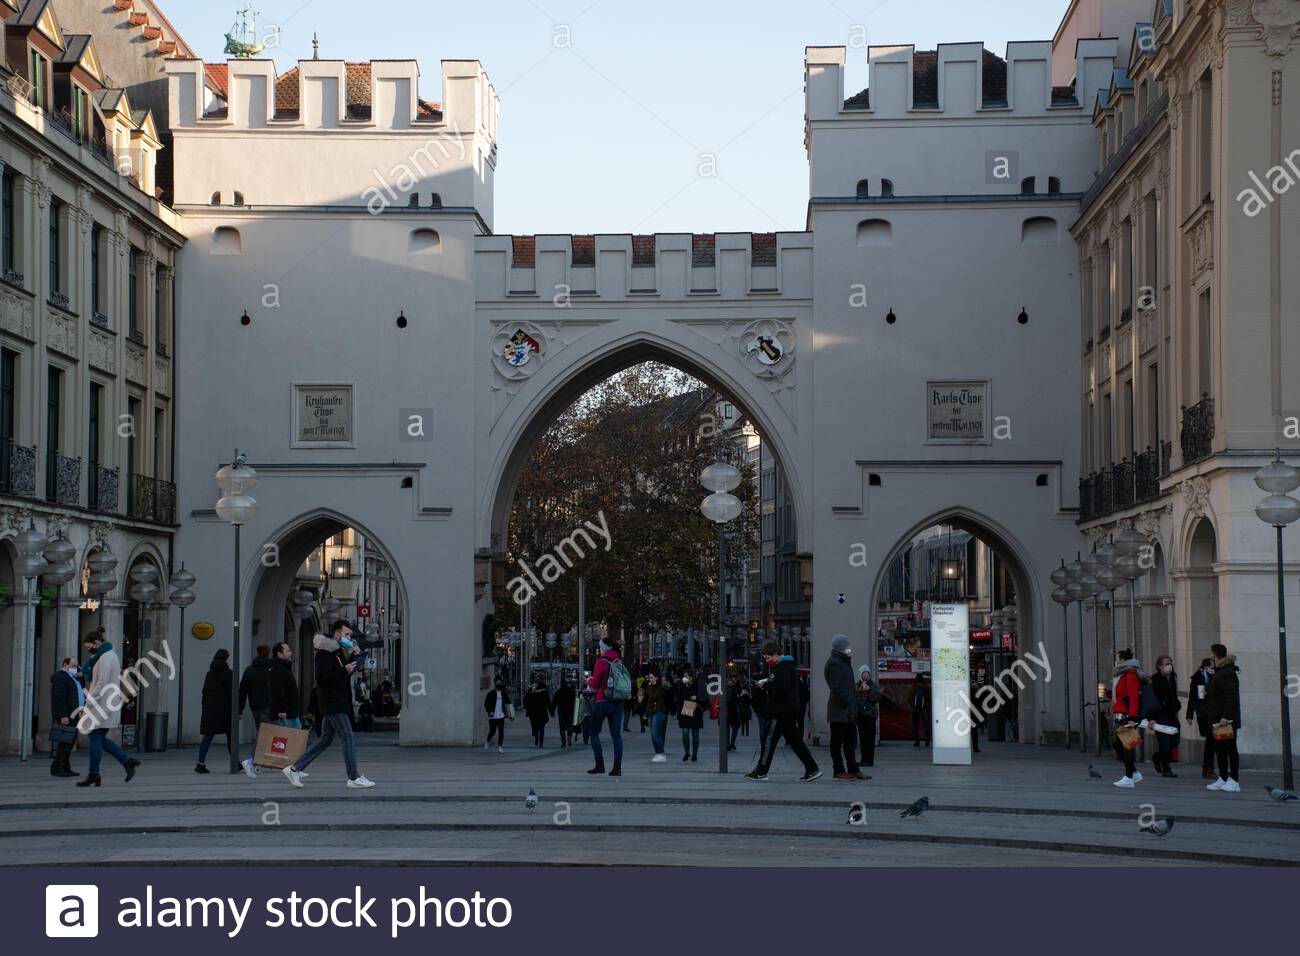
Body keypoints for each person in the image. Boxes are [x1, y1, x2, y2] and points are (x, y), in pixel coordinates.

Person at [282, 620, 376, 789]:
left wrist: (355, 658)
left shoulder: (336, 652)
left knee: (325, 739)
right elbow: (323, 678)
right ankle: (353, 777)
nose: (349, 638)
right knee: (347, 736)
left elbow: (341, 675)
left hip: (335, 701)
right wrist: (344, 670)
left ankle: (295, 769)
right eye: (347, 634)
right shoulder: (325, 653)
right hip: (332, 702)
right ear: (337, 634)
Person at [745, 641, 822, 782]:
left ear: (775, 654)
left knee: (769, 741)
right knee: (796, 742)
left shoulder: (783, 667)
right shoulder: (786, 666)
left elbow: (782, 688)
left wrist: (766, 685)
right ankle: (812, 768)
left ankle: (761, 771)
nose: (768, 662)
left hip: (780, 712)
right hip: (788, 711)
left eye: (768, 658)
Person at [75, 632, 140, 787]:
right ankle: (125, 762)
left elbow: (101, 682)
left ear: (96, 642)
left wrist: (89, 701)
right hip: (105, 704)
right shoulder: (106, 656)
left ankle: (94, 773)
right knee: (99, 738)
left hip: (102, 704)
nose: (88, 650)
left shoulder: (105, 657)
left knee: (95, 737)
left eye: (89, 646)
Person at [824, 634, 867, 780]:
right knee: (837, 742)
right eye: (847, 646)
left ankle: (853, 769)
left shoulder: (843, 662)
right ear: (840, 648)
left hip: (847, 710)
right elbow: (836, 688)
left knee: (850, 742)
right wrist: (848, 703)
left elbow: (846, 687)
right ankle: (838, 770)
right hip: (839, 709)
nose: (849, 648)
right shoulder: (835, 663)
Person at [586, 638, 626, 776]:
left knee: (594, 732)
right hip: (617, 701)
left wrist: (589, 681)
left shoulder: (601, 662)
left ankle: (599, 764)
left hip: (602, 701)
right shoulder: (619, 661)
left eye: (601, 647)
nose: (600, 649)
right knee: (616, 735)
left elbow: (595, 685)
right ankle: (617, 767)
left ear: (605, 648)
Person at [1205, 643, 1241, 793]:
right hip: (1217, 718)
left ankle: (1234, 780)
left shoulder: (1226, 672)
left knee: (1229, 749)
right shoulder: (1220, 671)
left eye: (1212, 654)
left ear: (1214, 655)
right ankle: (1224, 777)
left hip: (1225, 719)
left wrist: (1226, 716)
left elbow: (1230, 696)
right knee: (1220, 749)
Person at [238, 644, 274, 777]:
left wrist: (239, 709)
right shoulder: (271, 669)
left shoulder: (249, 670)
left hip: (255, 706)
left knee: (263, 733)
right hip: (269, 705)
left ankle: (256, 762)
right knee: (265, 735)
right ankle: (251, 761)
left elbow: (242, 691)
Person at [1111, 648, 1145, 788]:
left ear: (1123, 660)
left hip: (1128, 716)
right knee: (1117, 743)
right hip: (1120, 714)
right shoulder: (1122, 674)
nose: (1116, 661)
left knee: (1127, 746)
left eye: (1118, 659)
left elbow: (1133, 696)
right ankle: (1134, 772)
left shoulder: (1130, 674)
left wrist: (1132, 716)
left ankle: (1129, 777)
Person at [195, 648, 233, 774]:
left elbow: (204, 692)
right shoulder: (229, 674)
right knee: (231, 736)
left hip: (209, 709)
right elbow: (232, 693)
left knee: (207, 737)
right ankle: (234, 762)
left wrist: (204, 707)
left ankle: (200, 763)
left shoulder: (209, 674)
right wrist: (237, 710)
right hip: (225, 710)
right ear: (226, 658)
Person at [1148, 655, 1181, 777]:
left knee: (1175, 739)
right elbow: (1151, 700)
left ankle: (1158, 757)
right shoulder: (1155, 680)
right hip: (1160, 715)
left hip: (1171, 713)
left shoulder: (1172, 677)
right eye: (1166, 664)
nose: (1169, 666)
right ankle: (1166, 768)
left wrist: (1177, 705)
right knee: (1165, 742)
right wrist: (1151, 718)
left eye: (1170, 663)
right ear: (1159, 666)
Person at [49, 657, 83, 778]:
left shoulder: (73, 678)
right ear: (65, 665)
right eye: (73, 666)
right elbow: (59, 698)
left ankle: (65, 767)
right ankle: (57, 768)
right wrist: (63, 715)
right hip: (67, 715)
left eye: (77, 666)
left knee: (69, 743)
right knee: (64, 743)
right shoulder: (61, 677)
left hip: (75, 714)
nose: (76, 668)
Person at [1186, 657, 1216, 779]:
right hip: (1203, 713)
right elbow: (1193, 697)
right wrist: (1189, 715)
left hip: (1214, 713)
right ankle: (1208, 768)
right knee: (1210, 739)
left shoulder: (1215, 676)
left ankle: (1208, 768)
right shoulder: (1197, 679)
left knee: (1211, 740)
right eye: (1211, 667)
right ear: (1205, 667)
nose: (1213, 669)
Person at [267, 642, 301, 728]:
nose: (291, 653)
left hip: (289, 716)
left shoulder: (283, 668)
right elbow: (276, 692)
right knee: (289, 741)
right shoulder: (277, 669)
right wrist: (283, 711)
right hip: (284, 717)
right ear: (279, 654)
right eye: (288, 651)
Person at [674, 668, 703, 762]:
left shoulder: (697, 685)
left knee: (695, 734)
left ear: (691, 677)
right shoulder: (682, 686)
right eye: (684, 676)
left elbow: (703, 696)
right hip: (685, 712)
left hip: (696, 713)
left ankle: (694, 754)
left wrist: (696, 697)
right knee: (685, 733)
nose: (685, 677)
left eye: (687, 676)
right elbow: (678, 699)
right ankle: (687, 752)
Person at [855, 665, 880, 768]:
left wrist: (869, 690)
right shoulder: (857, 685)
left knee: (869, 738)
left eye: (867, 673)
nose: (865, 675)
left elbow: (876, 698)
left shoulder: (873, 685)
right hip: (860, 715)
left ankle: (869, 760)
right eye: (863, 673)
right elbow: (854, 698)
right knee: (862, 738)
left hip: (870, 716)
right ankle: (864, 759)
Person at [643, 671, 671, 762]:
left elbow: (653, 696)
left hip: (659, 712)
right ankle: (657, 753)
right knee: (653, 735)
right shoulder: (649, 686)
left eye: (651, 677)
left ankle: (661, 753)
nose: (650, 679)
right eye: (649, 678)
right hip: (650, 712)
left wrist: (651, 688)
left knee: (656, 733)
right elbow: (649, 698)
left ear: (656, 678)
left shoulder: (660, 687)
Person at [483, 677, 511, 752]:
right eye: (497, 683)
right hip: (493, 716)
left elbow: (508, 702)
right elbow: (486, 704)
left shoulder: (503, 693)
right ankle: (487, 741)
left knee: (501, 731)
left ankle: (500, 746)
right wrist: (489, 711)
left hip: (501, 715)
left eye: (500, 683)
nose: (499, 684)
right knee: (492, 731)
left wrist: (507, 693)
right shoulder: (491, 693)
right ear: (495, 683)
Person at [524, 678, 551, 747]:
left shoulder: (532, 693)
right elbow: (548, 703)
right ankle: (541, 742)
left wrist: (530, 691)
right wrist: (551, 711)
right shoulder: (544, 693)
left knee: (535, 727)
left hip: (534, 713)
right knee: (542, 728)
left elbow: (526, 699)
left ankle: (536, 738)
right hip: (542, 713)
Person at [553, 679, 577, 747]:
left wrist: (552, 711)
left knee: (562, 728)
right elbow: (574, 701)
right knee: (570, 725)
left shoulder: (558, 692)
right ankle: (569, 735)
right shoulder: (571, 691)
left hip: (561, 711)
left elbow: (554, 702)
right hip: (570, 711)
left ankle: (563, 742)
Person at [911, 675, 931, 747]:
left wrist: (911, 706)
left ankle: (917, 741)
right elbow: (929, 698)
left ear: (916, 679)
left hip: (915, 709)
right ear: (923, 679)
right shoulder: (926, 687)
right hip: (924, 709)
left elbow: (909, 697)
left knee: (915, 725)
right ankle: (927, 741)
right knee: (926, 725)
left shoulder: (914, 687)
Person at [726, 677, 741, 752]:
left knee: (735, 728)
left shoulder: (737, 687)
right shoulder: (725, 688)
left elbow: (739, 698)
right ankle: (728, 744)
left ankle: (732, 743)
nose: (732, 682)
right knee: (727, 729)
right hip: (727, 710)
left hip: (734, 710)